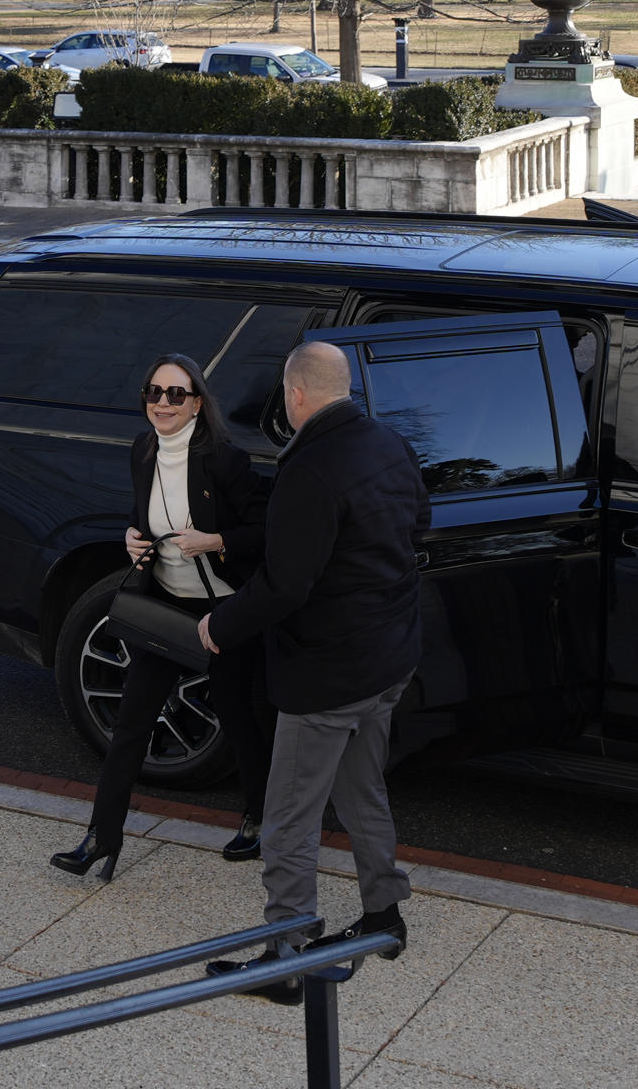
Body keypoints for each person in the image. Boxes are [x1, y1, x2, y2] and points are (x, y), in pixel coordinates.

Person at [199, 341, 431, 1005]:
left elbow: (284, 586)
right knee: (363, 793)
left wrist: (221, 624)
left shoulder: (310, 471)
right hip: (389, 658)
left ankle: (285, 959)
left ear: (295, 393)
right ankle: (385, 914)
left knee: (289, 816)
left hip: (328, 673)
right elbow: (418, 527)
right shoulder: (390, 443)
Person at [50, 354, 272, 881]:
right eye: (154, 392)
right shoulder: (143, 450)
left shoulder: (223, 459)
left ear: (197, 401)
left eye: (176, 393)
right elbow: (144, 516)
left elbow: (268, 528)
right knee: (131, 724)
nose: (164, 403)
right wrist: (133, 539)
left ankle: (261, 818)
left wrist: (216, 539)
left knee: (240, 716)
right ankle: (101, 839)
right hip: (165, 607)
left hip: (221, 609)